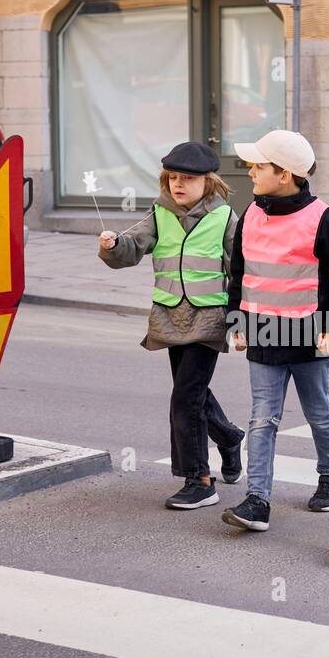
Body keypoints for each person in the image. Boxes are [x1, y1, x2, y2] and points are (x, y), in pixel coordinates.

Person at [98, 141, 245, 510]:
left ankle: (199, 479)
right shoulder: (159, 212)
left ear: (208, 182)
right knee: (191, 392)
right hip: (169, 316)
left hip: (209, 318)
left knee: (185, 396)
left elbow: (240, 272)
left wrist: (241, 321)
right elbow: (131, 248)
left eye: (188, 179)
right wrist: (113, 245)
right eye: (173, 177)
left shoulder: (225, 218)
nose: (178, 184)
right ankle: (228, 437)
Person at [221, 130, 329, 533]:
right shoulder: (251, 215)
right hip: (262, 334)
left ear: (286, 174)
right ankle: (258, 500)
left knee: (319, 413)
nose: (251, 171)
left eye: (259, 166)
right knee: (262, 419)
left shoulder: (324, 219)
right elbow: (239, 273)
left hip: (310, 335)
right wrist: (237, 322)